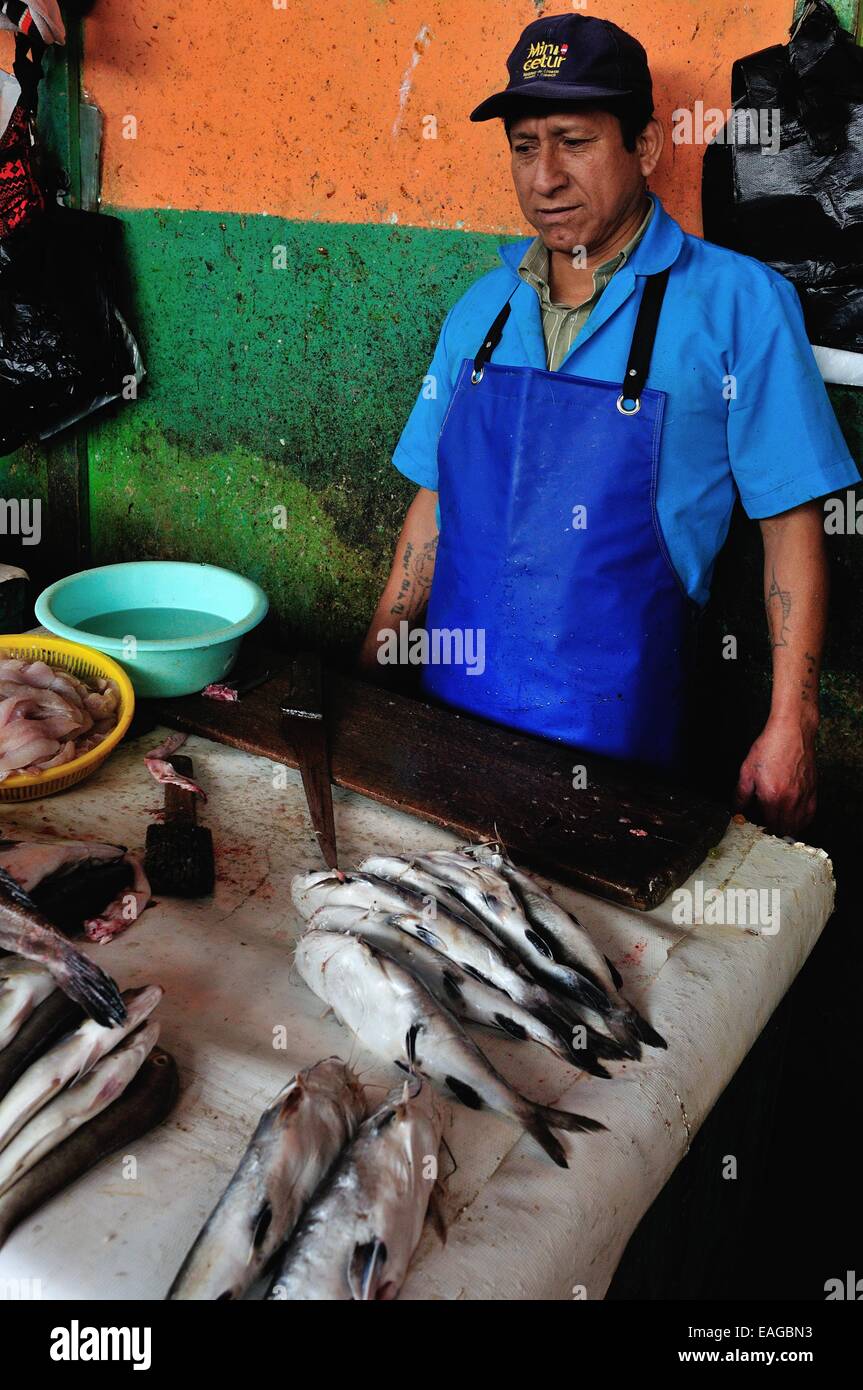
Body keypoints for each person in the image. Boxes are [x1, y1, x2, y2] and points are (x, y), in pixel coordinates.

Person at [358, 12, 860, 836]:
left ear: (647, 147)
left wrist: (792, 726)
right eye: (524, 146)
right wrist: (373, 676)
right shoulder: (479, 312)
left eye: (573, 141)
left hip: (626, 752)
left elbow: (790, 523)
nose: (544, 177)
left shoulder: (736, 305)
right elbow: (433, 508)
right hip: (447, 726)